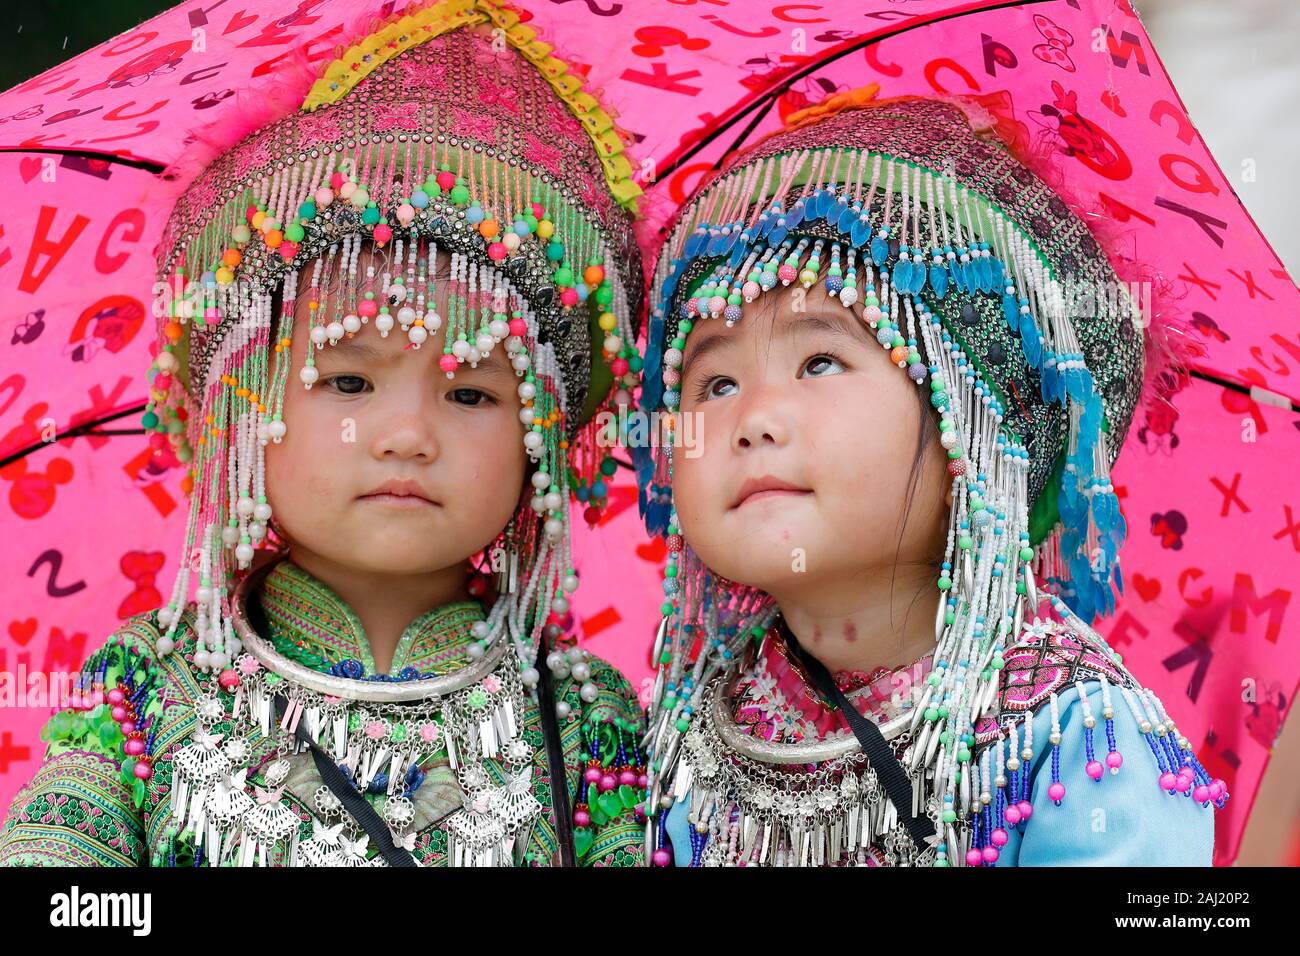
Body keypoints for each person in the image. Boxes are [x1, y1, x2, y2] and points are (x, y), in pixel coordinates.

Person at [0, 0, 648, 868]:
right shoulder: (148, 687)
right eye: (347, 381)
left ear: (541, 439)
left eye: (473, 395)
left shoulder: (588, 721)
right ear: (241, 410)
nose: (409, 434)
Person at [629, 89, 1229, 866]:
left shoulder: (1074, 739)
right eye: (714, 384)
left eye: (819, 361)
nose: (754, 419)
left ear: (973, 424)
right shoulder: (677, 734)